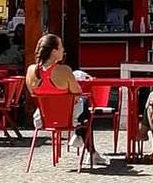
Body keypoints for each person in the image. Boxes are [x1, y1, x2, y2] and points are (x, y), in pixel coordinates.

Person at [25, 33, 106, 166]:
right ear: (54, 51)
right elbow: (78, 92)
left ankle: (86, 145)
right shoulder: (64, 70)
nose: (63, 50)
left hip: (44, 118)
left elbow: (33, 93)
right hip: (67, 118)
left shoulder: (30, 71)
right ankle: (84, 142)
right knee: (85, 103)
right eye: (61, 47)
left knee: (82, 107)